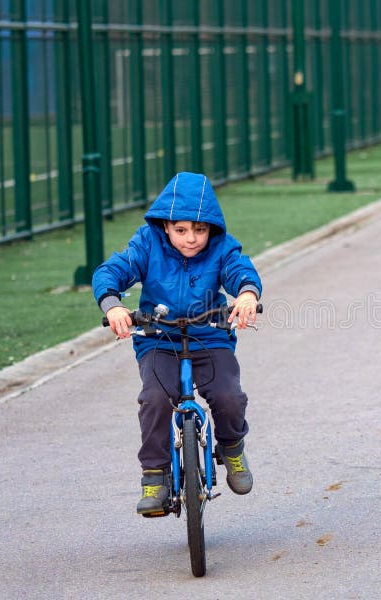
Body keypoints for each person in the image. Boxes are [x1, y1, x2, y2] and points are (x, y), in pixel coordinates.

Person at [92, 172, 262, 515]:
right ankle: (154, 475)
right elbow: (112, 271)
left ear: (211, 228)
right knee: (155, 398)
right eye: (181, 229)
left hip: (209, 335)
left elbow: (240, 270)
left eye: (199, 230)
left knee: (228, 395)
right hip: (159, 337)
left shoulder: (221, 247)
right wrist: (113, 306)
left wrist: (246, 294)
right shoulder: (147, 243)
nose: (191, 238)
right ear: (165, 226)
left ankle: (231, 447)